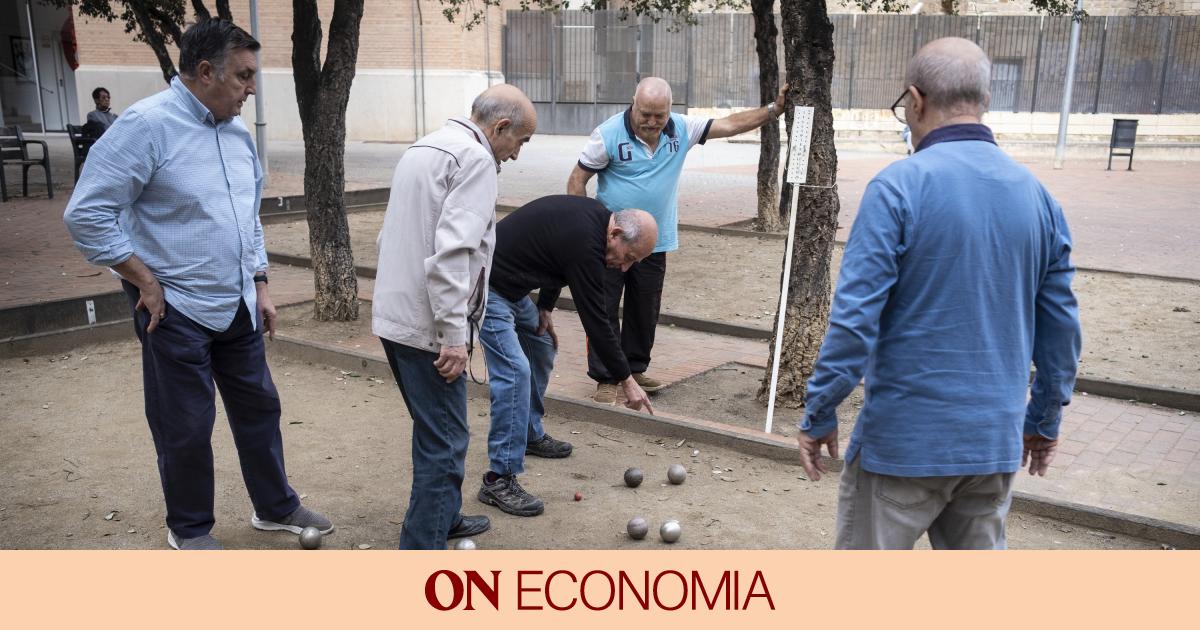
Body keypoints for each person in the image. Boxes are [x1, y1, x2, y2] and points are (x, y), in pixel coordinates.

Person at [794, 37, 1081, 550]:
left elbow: (855, 322)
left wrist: (819, 412)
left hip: (902, 444)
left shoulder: (898, 188)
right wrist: (1043, 419)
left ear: (915, 100)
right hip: (992, 444)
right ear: (984, 101)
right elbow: (1061, 333)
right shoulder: (1040, 198)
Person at [63, 19, 333, 550]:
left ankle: (274, 506)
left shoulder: (235, 134)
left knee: (260, 407)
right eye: (244, 75)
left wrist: (258, 282)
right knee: (184, 424)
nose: (252, 88)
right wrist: (141, 277)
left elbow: (246, 216)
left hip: (236, 301)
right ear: (205, 72)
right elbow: (87, 213)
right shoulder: (146, 126)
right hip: (174, 307)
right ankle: (189, 528)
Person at [373, 84, 537, 549]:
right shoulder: (477, 160)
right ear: (500, 127)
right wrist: (451, 336)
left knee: (436, 432)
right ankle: (422, 545)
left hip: (396, 314)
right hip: (428, 327)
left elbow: (391, 236)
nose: (517, 155)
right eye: (520, 142)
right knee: (445, 440)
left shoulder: (424, 146)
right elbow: (454, 254)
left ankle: (443, 518)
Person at [567, 77, 790, 405]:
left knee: (645, 310)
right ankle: (606, 377)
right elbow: (577, 179)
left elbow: (729, 124)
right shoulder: (608, 134)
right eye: (645, 114)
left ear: (670, 110)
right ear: (633, 103)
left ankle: (635, 367)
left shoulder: (681, 129)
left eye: (659, 115)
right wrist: (589, 230)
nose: (652, 122)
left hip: (653, 243)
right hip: (611, 245)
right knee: (602, 308)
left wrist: (774, 109)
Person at [477, 196, 658, 517]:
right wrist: (625, 380)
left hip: (514, 289)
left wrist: (545, 306)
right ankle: (498, 478)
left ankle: (528, 433)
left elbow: (554, 261)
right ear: (615, 234)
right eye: (628, 257)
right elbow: (596, 319)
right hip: (488, 288)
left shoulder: (594, 225)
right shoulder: (585, 241)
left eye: (634, 263)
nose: (625, 266)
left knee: (542, 346)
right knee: (516, 373)